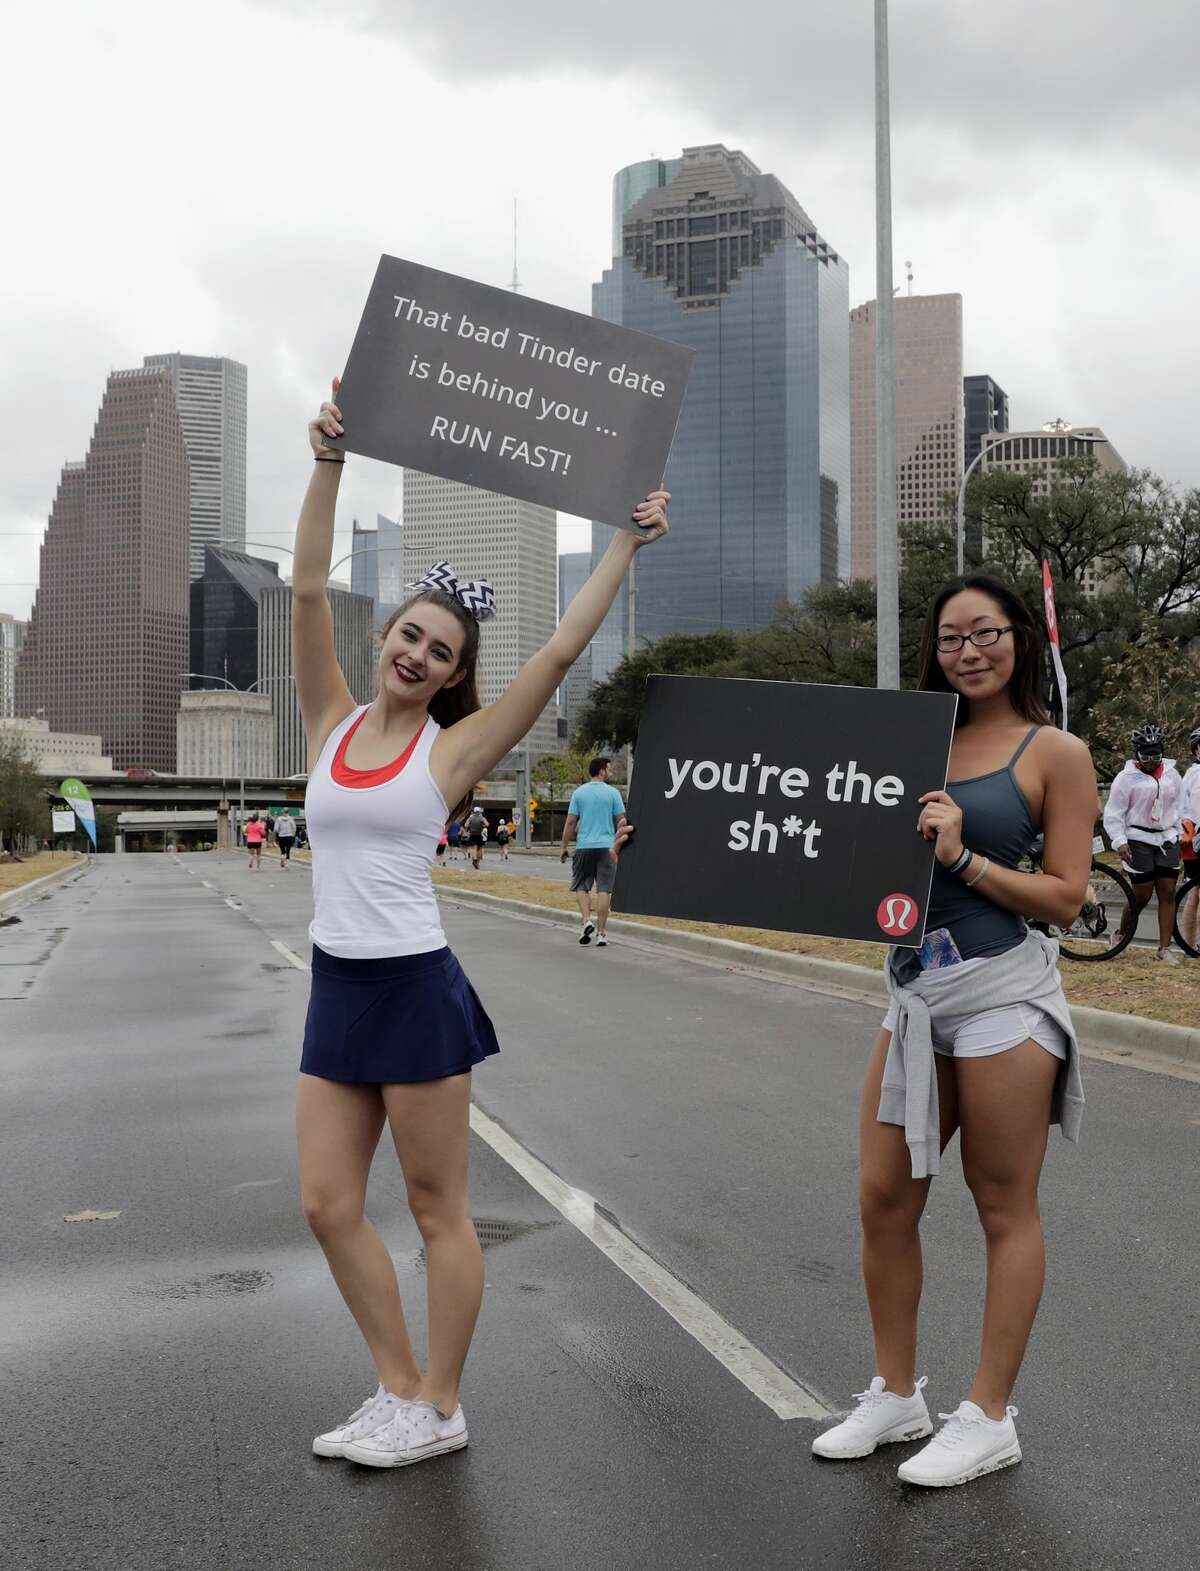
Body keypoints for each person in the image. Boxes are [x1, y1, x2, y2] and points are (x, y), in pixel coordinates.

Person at [295, 379, 668, 1469]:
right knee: (326, 1202)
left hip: (413, 987)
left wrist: (622, 547)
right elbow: (310, 588)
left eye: (438, 652)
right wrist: (327, 462)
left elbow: (555, 655)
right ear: (389, 635)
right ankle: (396, 1385)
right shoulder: (330, 717)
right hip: (336, 983)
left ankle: (441, 1401)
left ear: (456, 676)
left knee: (435, 1204)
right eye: (408, 634)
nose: (415, 654)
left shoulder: (450, 753)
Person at [804, 572, 1095, 1488]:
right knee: (883, 1197)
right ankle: (898, 1392)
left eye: (987, 632)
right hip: (912, 996)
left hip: (1005, 995)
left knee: (1003, 1206)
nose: (969, 650)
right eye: (950, 637)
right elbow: (814, 832)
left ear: (1019, 639)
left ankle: (989, 1415)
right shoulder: (906, 743)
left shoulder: (1057, 751)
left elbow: (1067, 895)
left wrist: (964, 856)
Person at [1102, 723, 1185, 964]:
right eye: (1145, 755)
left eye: (1155, 754)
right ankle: (1120, 936)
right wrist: (1119, 841)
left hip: (1167, 837)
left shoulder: (1171, 774)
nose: (1150, 760)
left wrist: (1179, 832)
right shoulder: (1125, 778)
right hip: (1138, 839)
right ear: (1136, 753)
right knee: (1142, 895)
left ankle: (1164, 948)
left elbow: (1180, 806)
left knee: (1168, 892)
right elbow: (1114, 813)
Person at [560, 757, 626, 947]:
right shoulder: (613, 793)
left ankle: (586, 920)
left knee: (581, 885)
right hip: (607, 846)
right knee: (604, 889)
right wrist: (620, 844)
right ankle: (602, 933)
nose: (611, 772)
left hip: (584, 846)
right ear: (602, 771)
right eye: (609, 769)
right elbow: (621, 821)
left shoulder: (579, 793)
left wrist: (564, 847)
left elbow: (571, 822)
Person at [1175, 725, 1199, 951]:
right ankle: (1193, 945)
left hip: (1190, 838)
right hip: (1196, 837)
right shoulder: (1195, 775)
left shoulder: (1189, 774)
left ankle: (1191, 946)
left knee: (1194, 892)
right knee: (1195, 893)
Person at [464, 805, 487, 870]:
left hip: (472, 834)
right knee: (480, 848)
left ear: (474, 811)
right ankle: (478, 862)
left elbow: (466, 825)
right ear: (479, 812)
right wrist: (482, 824)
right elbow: (487, 824)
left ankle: (474, 859)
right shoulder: (482, 818)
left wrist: (470, 825)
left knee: (473, 848)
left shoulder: (470, 818)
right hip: (479, 834)